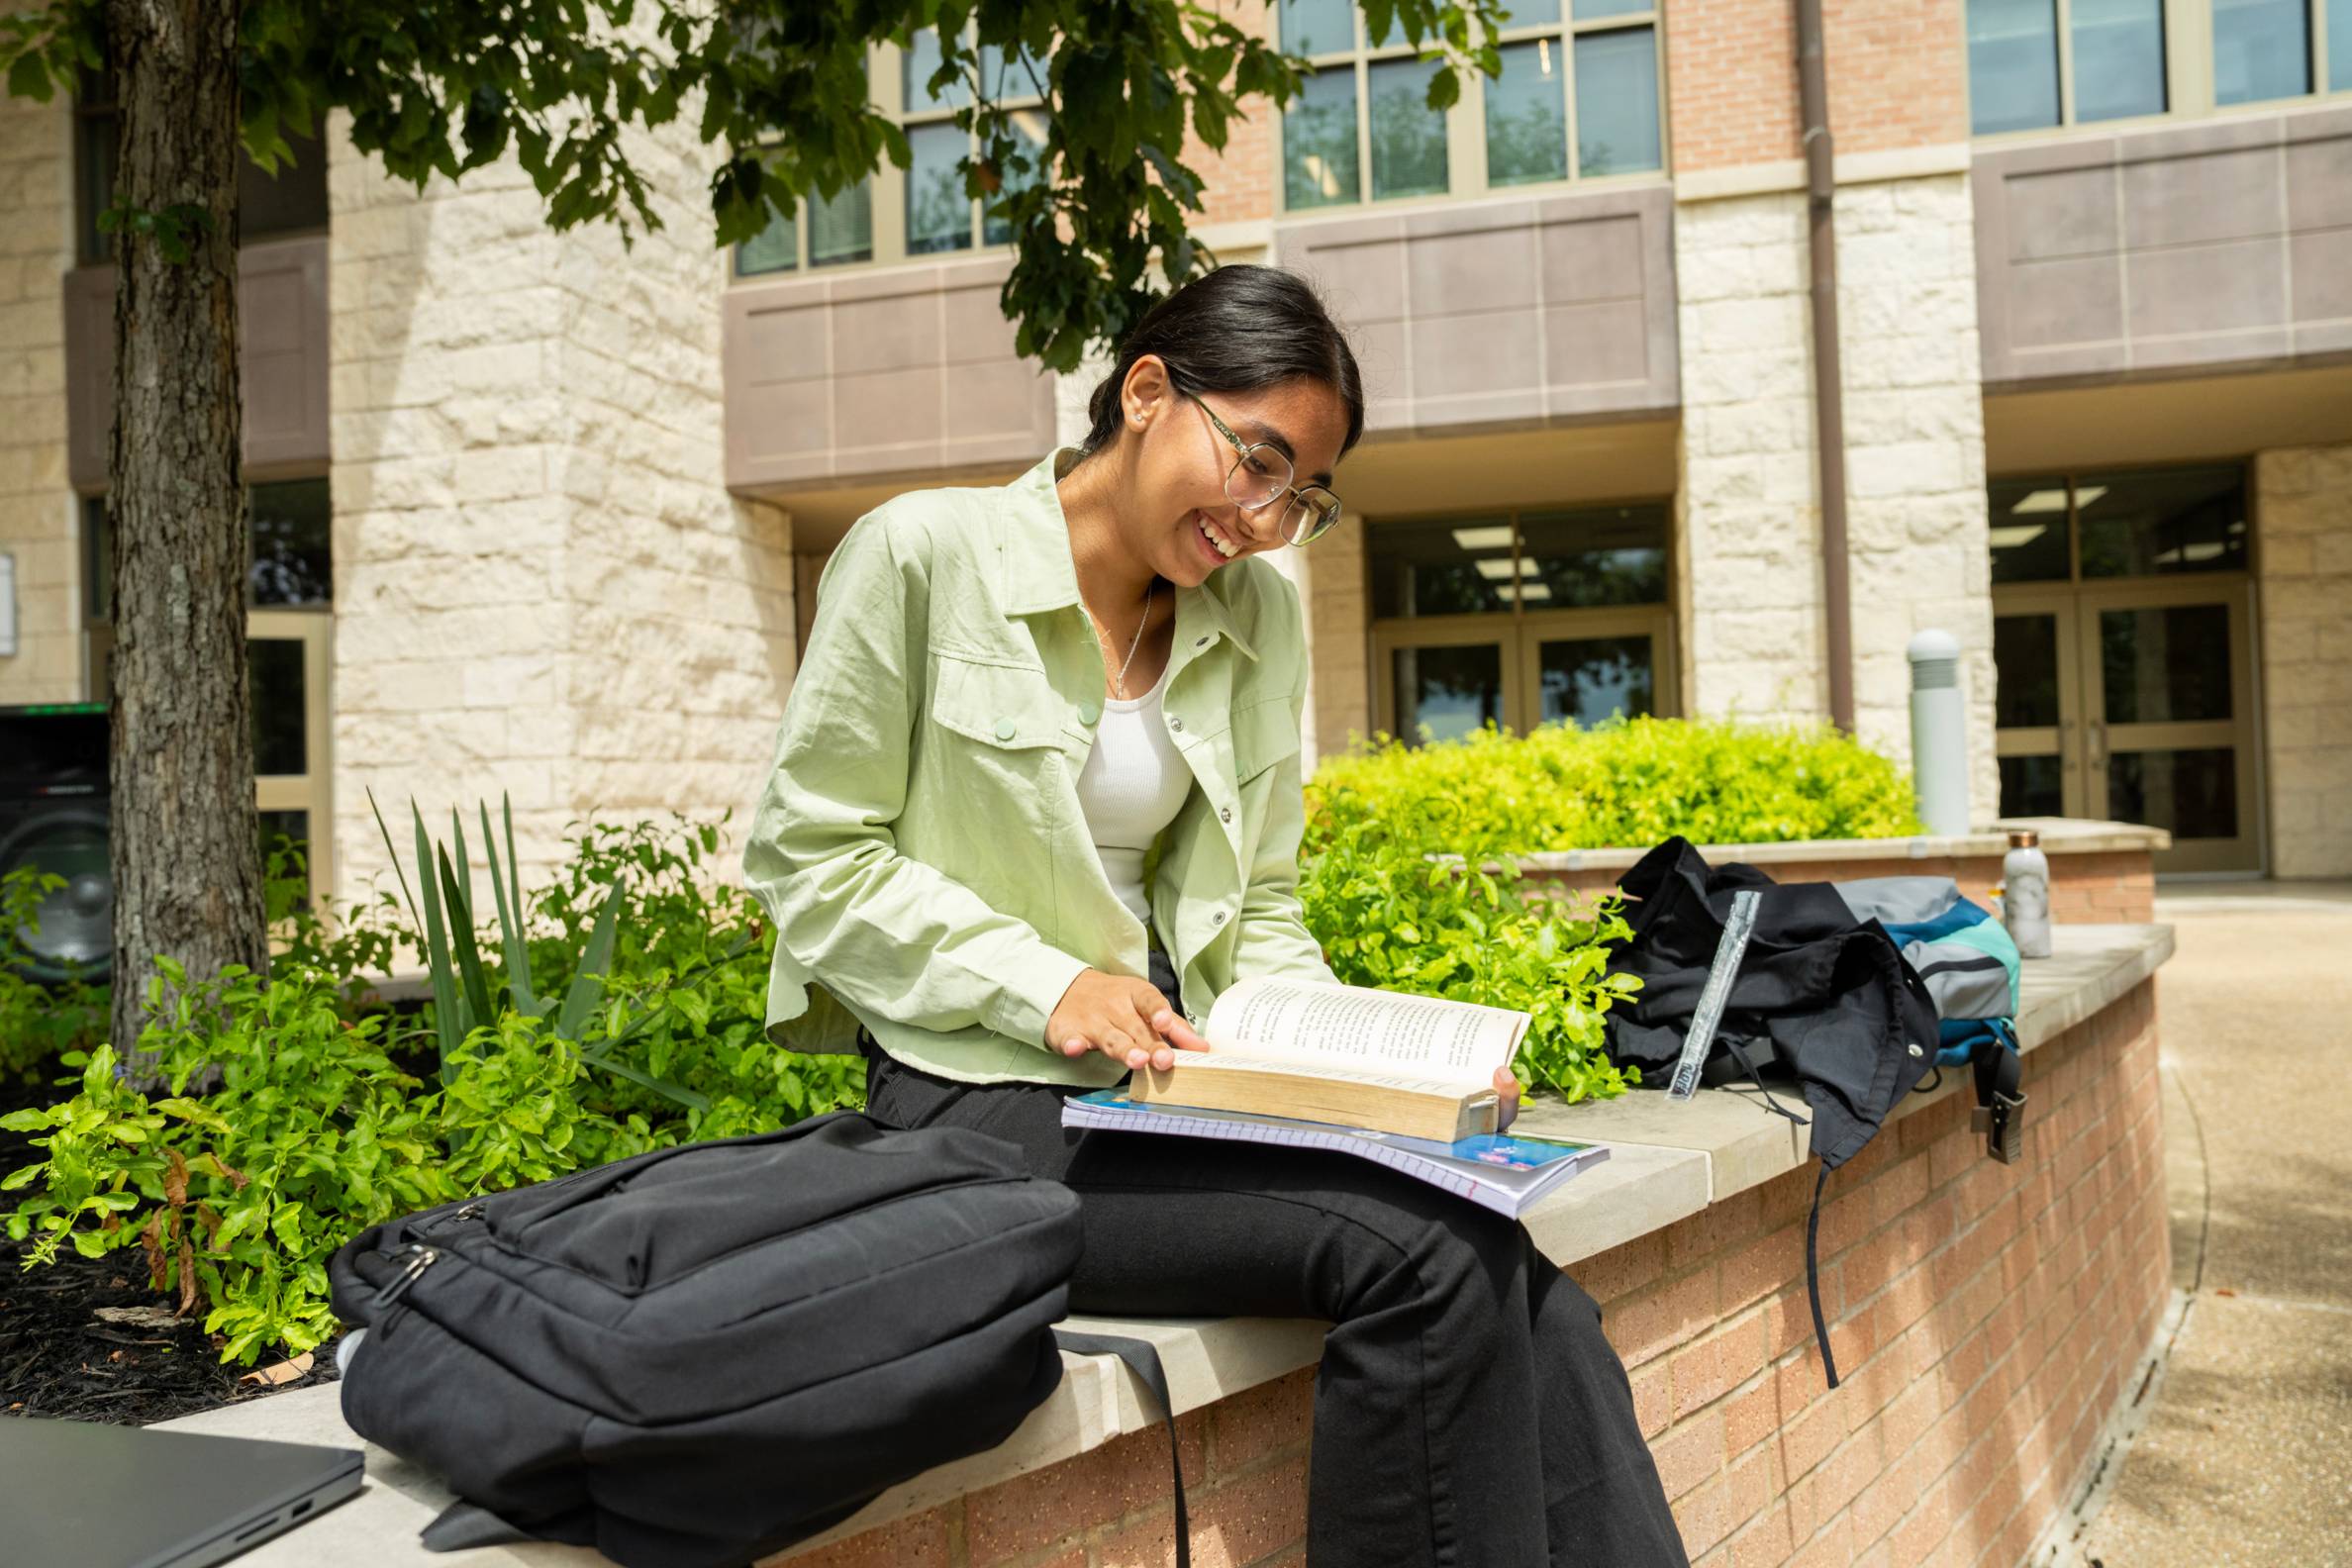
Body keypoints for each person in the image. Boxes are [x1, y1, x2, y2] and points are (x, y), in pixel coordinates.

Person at [742, 264, 1688, 1566]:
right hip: (973, 1100)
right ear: (1146, 391)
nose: (1262, 518)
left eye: (1301, 495)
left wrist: (1392, 1065)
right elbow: (812, 859)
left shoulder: (1256, 616)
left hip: (1172, 1088)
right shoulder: (922, 556)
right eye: (1257, 460)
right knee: (1422, 1254)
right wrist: (1047, 983)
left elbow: (1265, 909)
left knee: (1527, 1286)